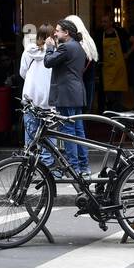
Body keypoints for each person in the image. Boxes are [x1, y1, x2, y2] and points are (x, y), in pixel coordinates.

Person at [45, 19, 89, 177]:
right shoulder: (78, 47)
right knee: (79, 130)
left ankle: (73, 168)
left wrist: (49, 49)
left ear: (66, 33)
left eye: (57, 31)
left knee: (68, 132)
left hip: (66, 94)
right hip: (77, 92)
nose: (55, 33)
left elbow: (48, 62)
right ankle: (84, 166)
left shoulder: (65, 47)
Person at [20, 24, 55, 166]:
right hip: (49, 97)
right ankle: (47, 164)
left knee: (31, 134)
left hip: (30, 96)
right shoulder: (56, 52)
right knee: (49, 134)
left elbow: (22, 72)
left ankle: (30, 165)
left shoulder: (28, 51)